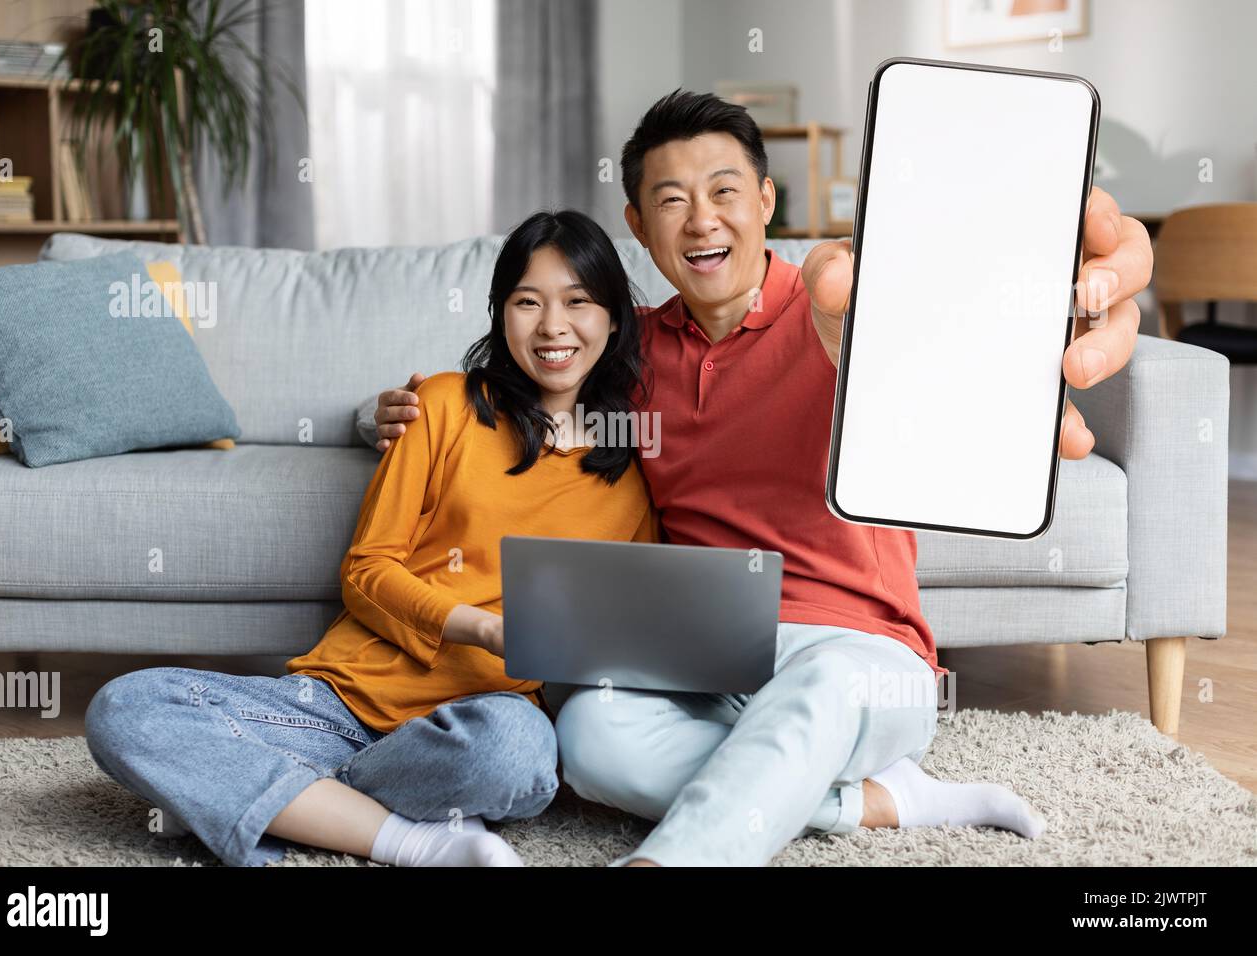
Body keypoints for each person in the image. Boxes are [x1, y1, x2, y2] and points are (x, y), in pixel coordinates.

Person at [372, 90, 1154, 866]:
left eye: (724, 193)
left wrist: (1028, 298)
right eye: (671, 201)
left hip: (861, 651)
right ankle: (882, 800)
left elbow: (948, 339)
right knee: (588, 738)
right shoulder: (626, 353)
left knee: (820, 693)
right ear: (638, 227)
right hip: (698, 656)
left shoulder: (844, 312)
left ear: (767, 201)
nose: (701, 219)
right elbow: (512, 397)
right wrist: (385, 416)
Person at [84, 209, 657, 867]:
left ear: (614, 318)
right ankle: (410, 840)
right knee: (125, 709)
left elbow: (621, 627)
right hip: (335, 705)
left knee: (519, 760)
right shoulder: (440, 406)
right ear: (501, 316)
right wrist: (482, 629)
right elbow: (365, 573)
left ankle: (268, 798)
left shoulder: (632, 473)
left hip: (479, 720)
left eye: (578, 302)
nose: (553, 326)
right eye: (528, 302)